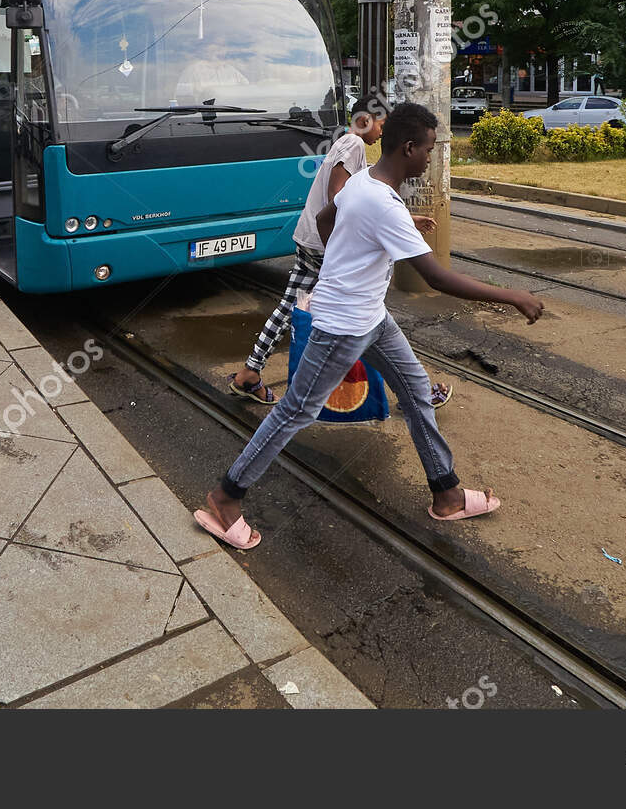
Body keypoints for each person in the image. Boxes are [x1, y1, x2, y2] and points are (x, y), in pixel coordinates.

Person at [196, 103, 545, 549]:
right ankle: (226, 498)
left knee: (417, 390)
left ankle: (447, 493)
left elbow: (327, 220)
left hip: (371, 318)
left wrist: (349, 258)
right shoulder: (382, 201)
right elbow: (437, 278)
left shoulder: (365, 181)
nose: (430, 159)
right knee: (295, 411)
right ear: (409, 147)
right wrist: (513, 296)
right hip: (342, 324)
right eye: (429, 150)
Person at [226, 109, 453, 409]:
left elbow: (359, 201)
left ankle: (250, 372)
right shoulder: (353, 144)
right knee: (370, 315)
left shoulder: (346, 145)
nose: (383, 132)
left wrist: (406, 219)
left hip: (312, 239)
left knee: (291, 309)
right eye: (381, 124)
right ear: (365, 120)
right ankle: (416, 391)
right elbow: (341, 198)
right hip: (325, 243)